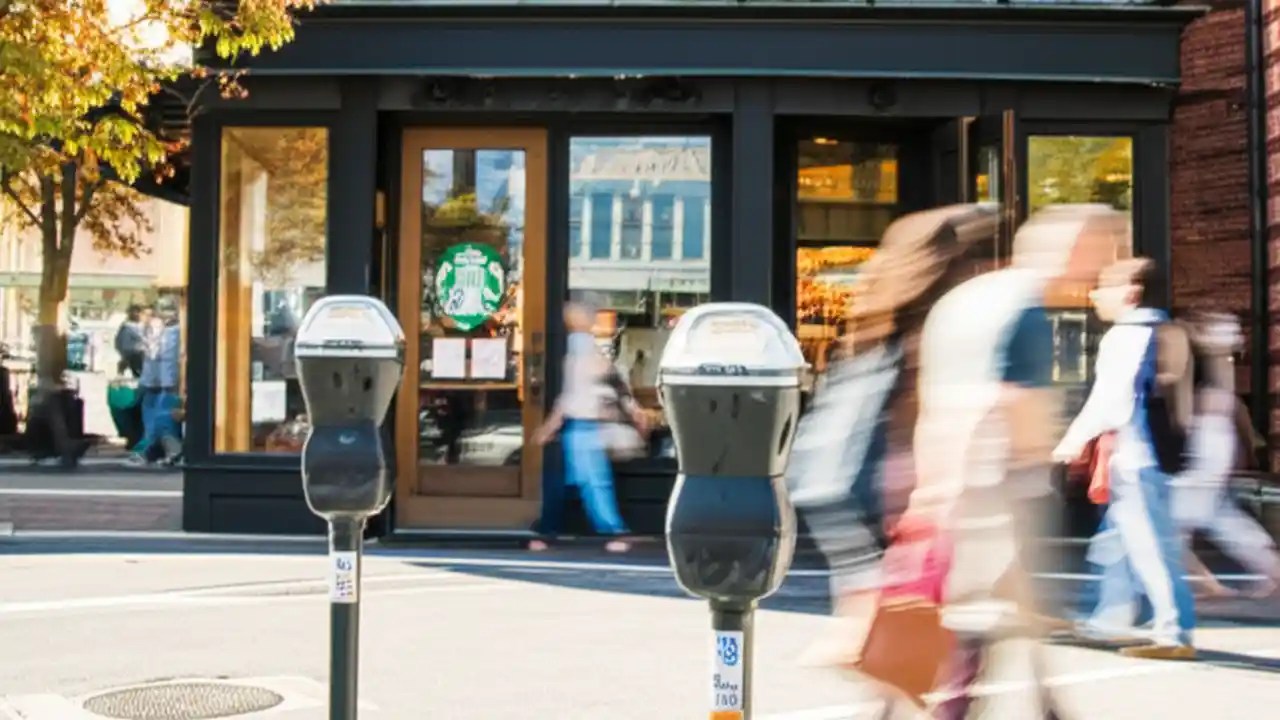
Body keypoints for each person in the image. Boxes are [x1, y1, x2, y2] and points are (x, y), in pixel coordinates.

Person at [915, 204, 1127, 718]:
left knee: (1013, 610)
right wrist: (1047, 450)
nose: (1103, 266)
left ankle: (1046, 702)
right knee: (983, 616)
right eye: (1103, 250)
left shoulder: (965, 300)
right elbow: (1009, 400)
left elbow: (930, 396)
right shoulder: (1028, 312)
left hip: (959, 479)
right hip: (1002, 482)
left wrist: (932, 487)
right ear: (1075, 248)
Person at [1053, 258, 1197, 660]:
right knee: (1117, 542)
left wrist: (1071, 441)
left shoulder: (1126, 335)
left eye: (1105, 285)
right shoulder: (1164, 330)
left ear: (1131, 294)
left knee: (1148, 545)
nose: (1096, 293)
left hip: (1137, 456)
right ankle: (1110, 619)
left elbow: (1112, 400)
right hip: (1151, 455)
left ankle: (1174, 633)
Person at [1173, 311, 1280, 600]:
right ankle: (1266, 572)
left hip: (1208, 459)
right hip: (1209, 458)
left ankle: (1207, 584)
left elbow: (1197, 412)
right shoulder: (1216, 392)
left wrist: (1194, 340)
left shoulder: (1214, 392)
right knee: (1222, 520)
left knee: (1175, 526)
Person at [530, 300, 644, 553]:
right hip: (585, 424)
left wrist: (551, 425)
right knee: (585, 482)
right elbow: (603, 382)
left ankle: (554, 532)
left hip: (583, 424)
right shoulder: (585, 347)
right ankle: (606, 531)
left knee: (579, 482)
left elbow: (573, 393)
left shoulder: (577, 349)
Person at [131, 297, 183, 466]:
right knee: (160, 417)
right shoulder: (170, 330)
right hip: (163, 382)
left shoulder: (167, 331)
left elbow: (154, 355)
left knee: (161, 418)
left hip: (165, 382)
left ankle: (161, 449)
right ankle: (158, 449)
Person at [114, 305, 147, 378]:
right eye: (134, 312)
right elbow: (119, 342)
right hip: (133, 354)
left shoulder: (142, 326)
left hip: (138, 354)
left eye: (138, 312)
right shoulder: (126, 327)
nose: (136, 314)